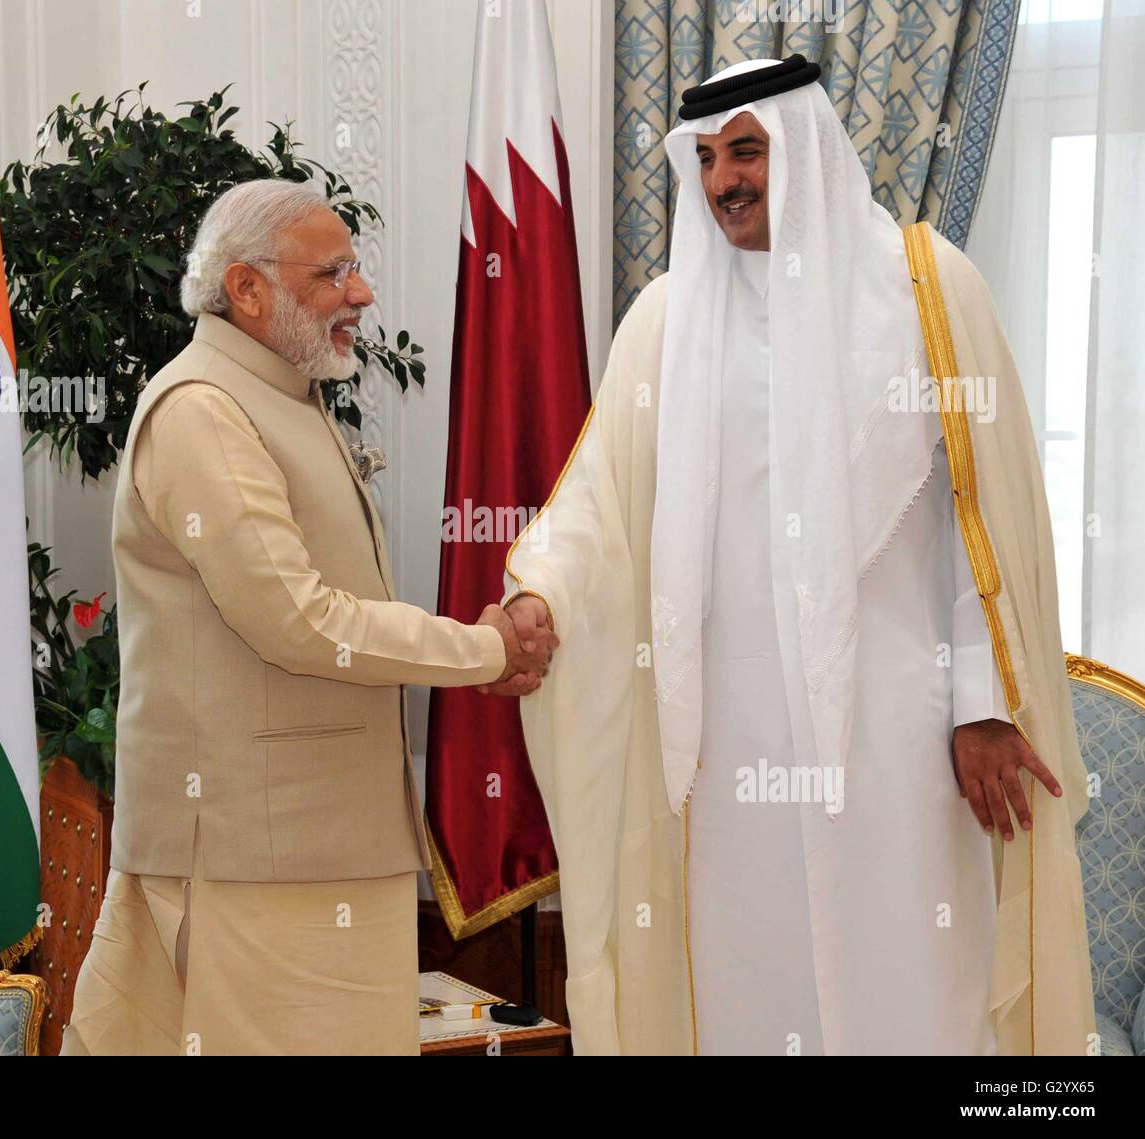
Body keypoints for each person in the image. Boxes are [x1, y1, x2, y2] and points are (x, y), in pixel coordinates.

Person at [498, 57, 1096, 1055]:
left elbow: (975, 517)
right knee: (746, 985)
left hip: (898, 735)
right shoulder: (664, 322)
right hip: (726, 744)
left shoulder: (926, 291)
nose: (726, 177)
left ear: (808, 149)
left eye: (748, 149)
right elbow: (594, 502)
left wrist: (984, 704)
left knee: (912, 981)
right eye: (708, 157)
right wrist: (536, 597)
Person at [61, 179, 555, 1056]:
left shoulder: (282, 396)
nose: (360, 294)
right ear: (247, 290)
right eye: (333, 273)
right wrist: (484, 648)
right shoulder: (202, 411)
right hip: (256, 858)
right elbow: (300, 620)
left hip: (312, 852)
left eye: (354, 270)